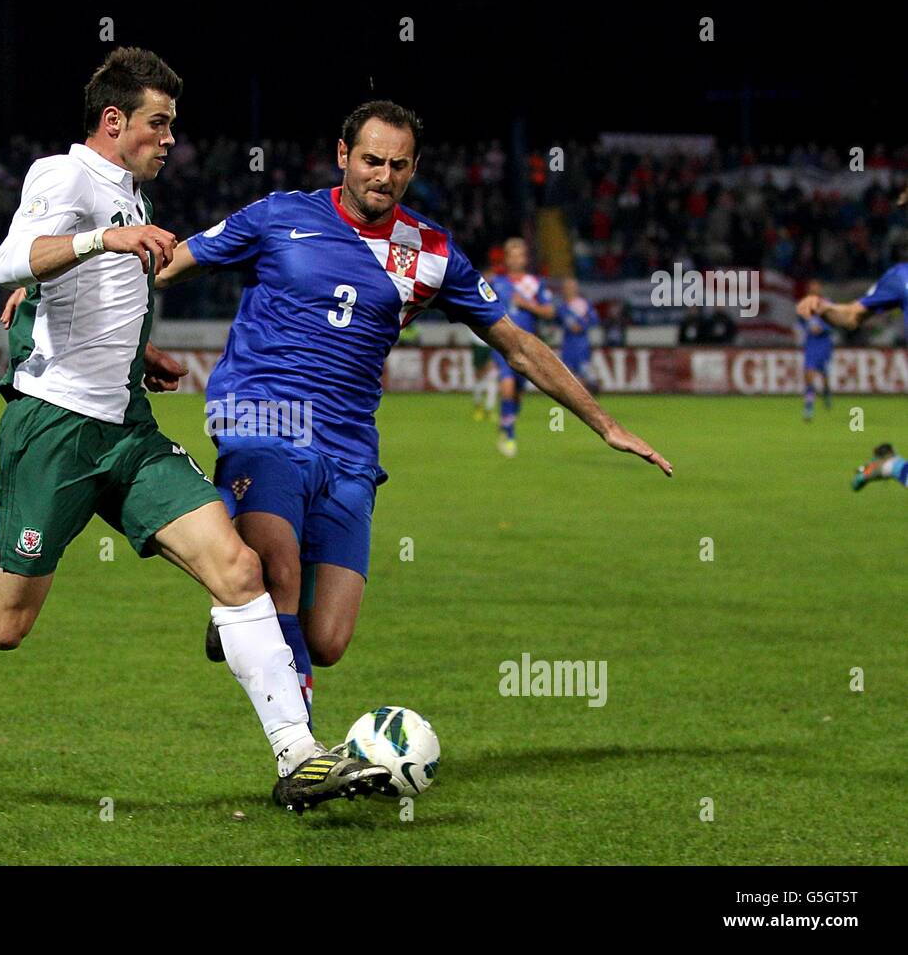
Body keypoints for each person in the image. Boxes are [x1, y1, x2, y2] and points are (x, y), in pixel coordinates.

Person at [0, 47, 391, 815]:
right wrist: (100, 243)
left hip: (128, 430)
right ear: (114, 121)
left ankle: (298, 755)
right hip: (54, 433)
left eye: (173, 125)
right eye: (159, 123)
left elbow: (85, 297)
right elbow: (11, 261)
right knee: (6, 621)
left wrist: (135, 352)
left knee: (239, 568)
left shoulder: (131, 196)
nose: (170, 138)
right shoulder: (65, 174)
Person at [130, 100, 672, 726]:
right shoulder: (279, 216)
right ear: (342, 156)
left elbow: (519, 346)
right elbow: (160, 267)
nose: (381, 177)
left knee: (327, 639)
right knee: (275, 569)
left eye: (397, 165)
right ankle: (302, 755)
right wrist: (56, 294)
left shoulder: (432, 254)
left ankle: (241, 621)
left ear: (413, 169)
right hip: (262, 417)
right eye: (369, 160)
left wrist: (606, 424)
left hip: (350, 449)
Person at [798, 257, 908, 489]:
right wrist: (825, 308)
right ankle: (890, 465)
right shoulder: (900, 277)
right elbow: (851, 315)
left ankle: (890, 465)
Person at [488, 237, 557, 456]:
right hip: (502, 343)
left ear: (525, 259)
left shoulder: (534, 284)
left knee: (517, 392)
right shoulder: (496, 283)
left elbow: (549, 312)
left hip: (527, 345)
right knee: (506, 384)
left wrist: (527, 304)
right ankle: (508, 435)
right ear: (506, 259)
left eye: (520, 255)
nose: (517, 259)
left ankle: (507, 419)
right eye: (513, 255)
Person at [796, 278, 833, 421]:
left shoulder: (828, 304)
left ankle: (826, 392)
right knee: (809, 374)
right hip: (811, 344)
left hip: (824, 343)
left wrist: (823, 328)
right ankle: (809, 406)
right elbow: (801, 321)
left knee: (823, 374)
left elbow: (835, 321)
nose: (814, 289)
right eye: (811, 287)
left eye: (816, 287)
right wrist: (807, 328)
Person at [556, 277, 599, 392]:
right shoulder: (561, 307)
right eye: (566, 287)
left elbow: (594, 319)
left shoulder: (584, 304)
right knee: (568, 375)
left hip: (581, 344)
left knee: (584, 373)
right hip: (568, 344)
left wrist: (582, 324)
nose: (569, 290)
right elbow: (557, 323)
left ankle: (589, 393)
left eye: (571, 287)